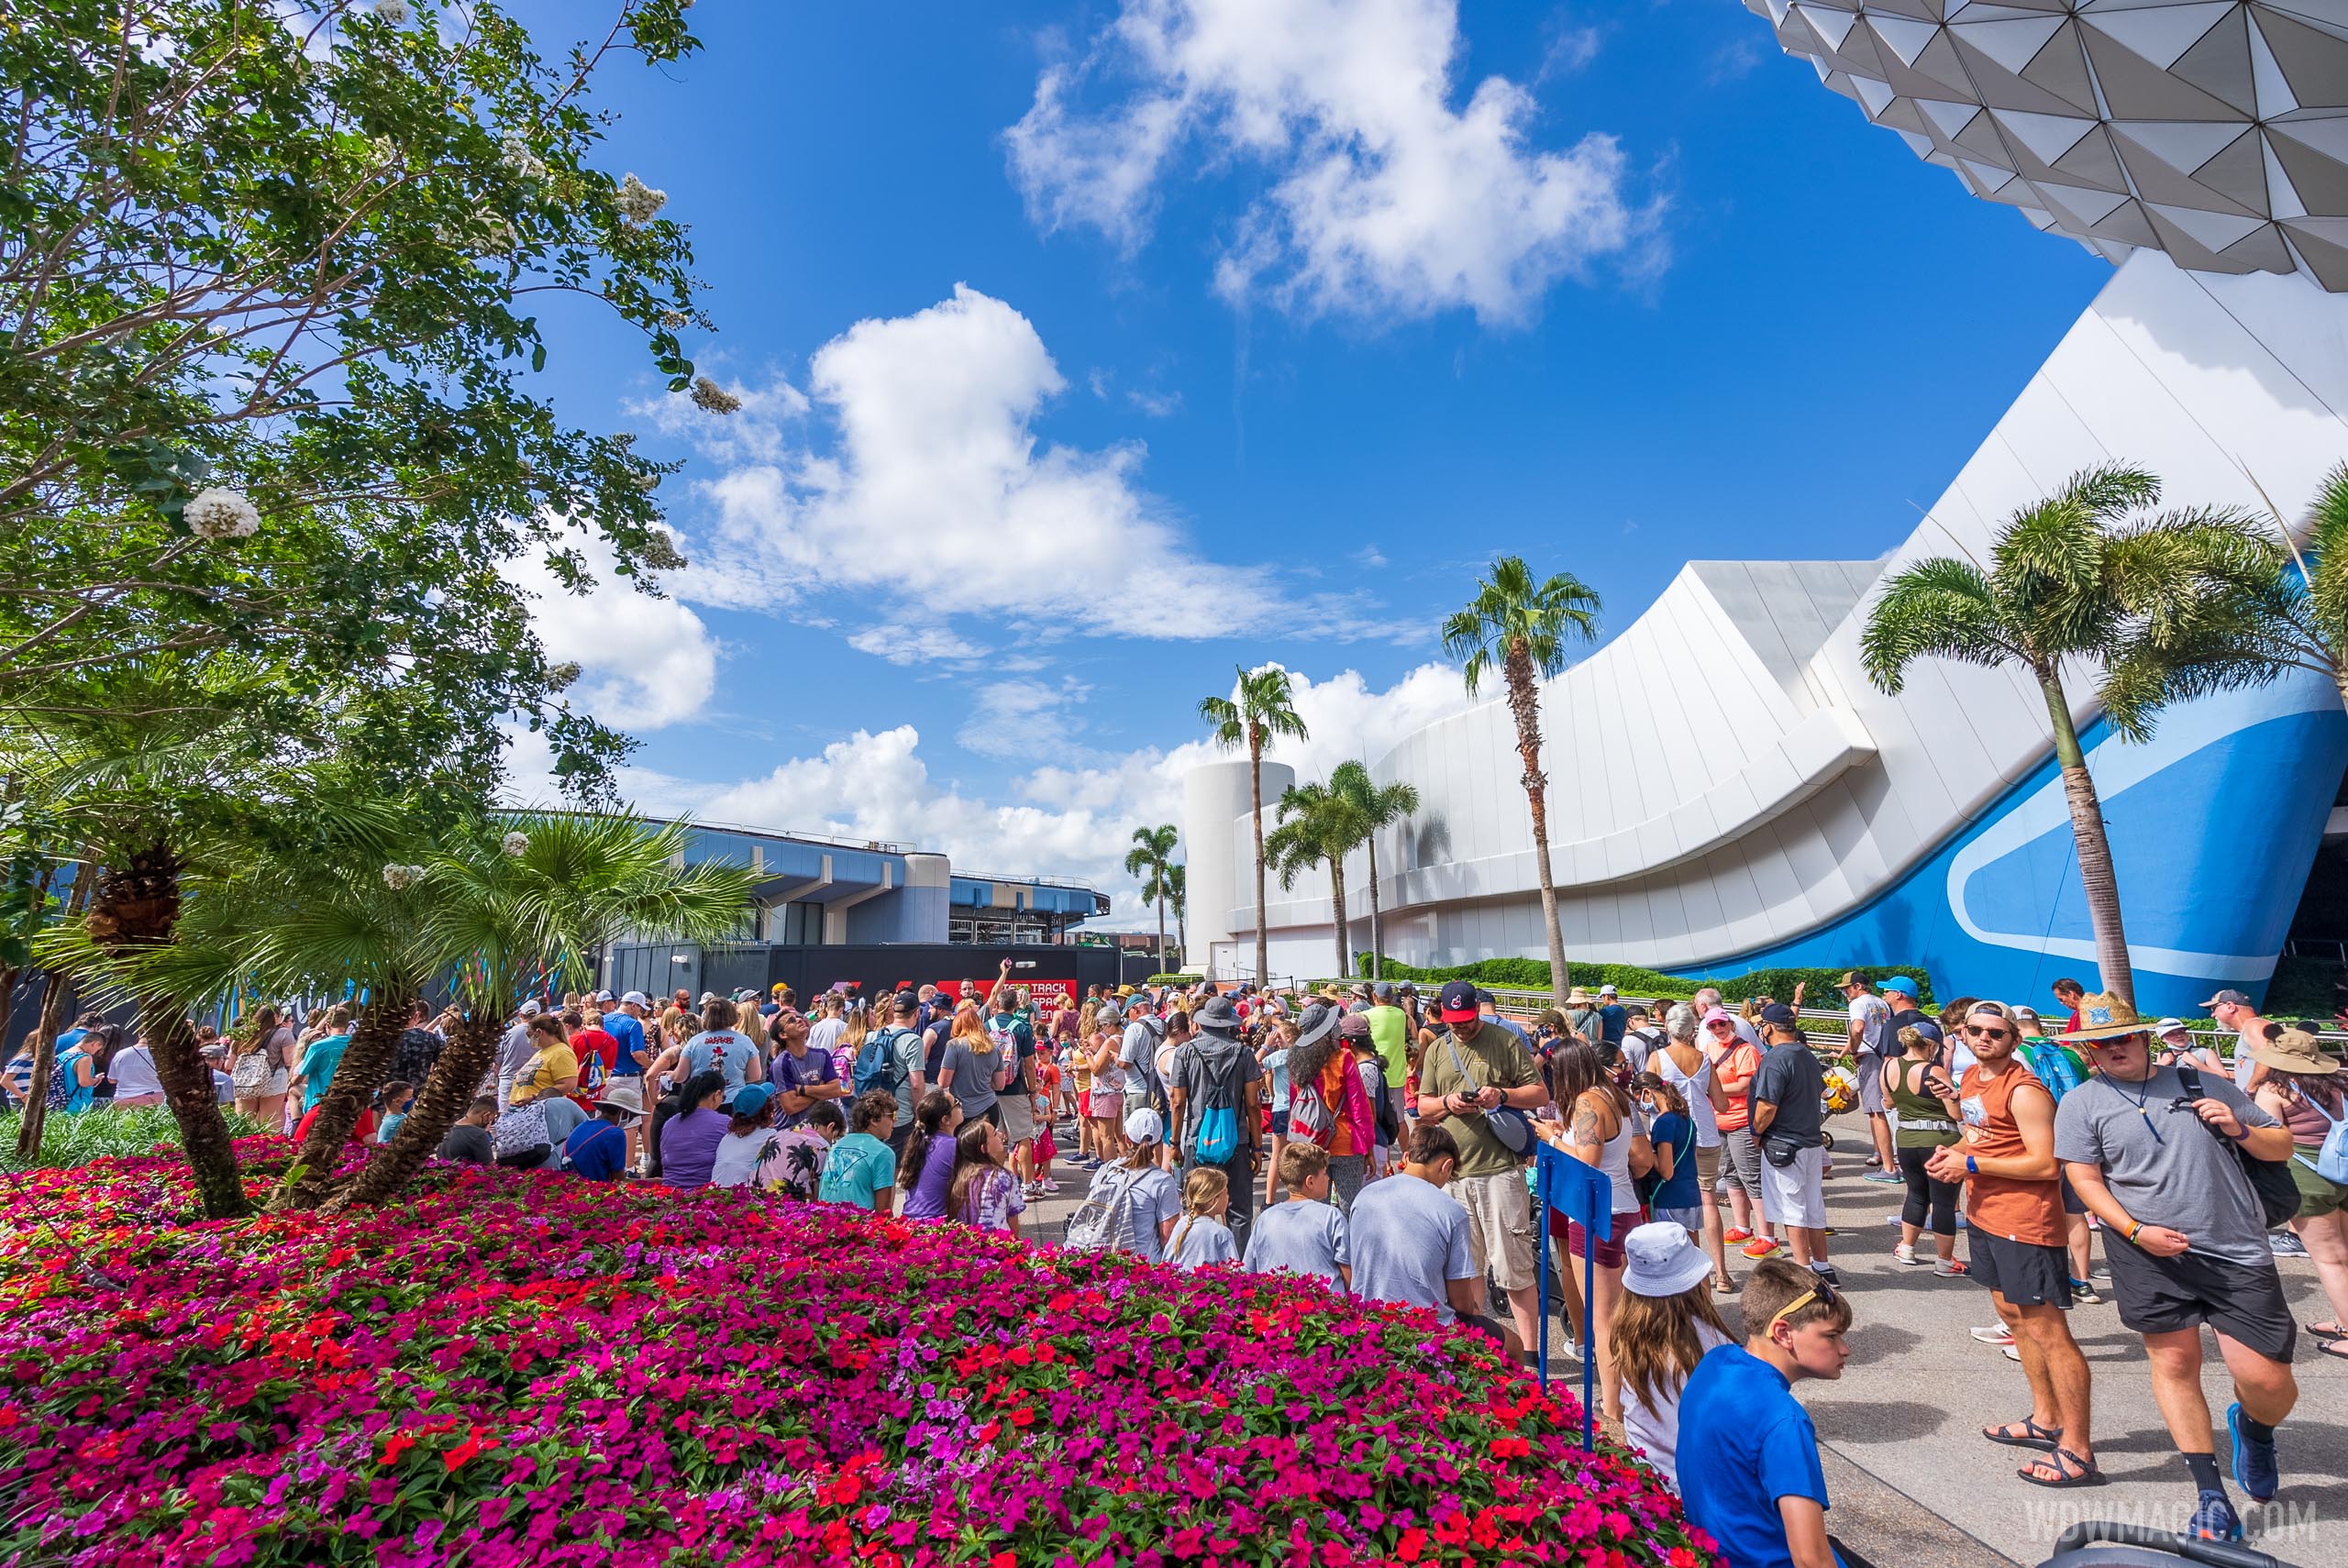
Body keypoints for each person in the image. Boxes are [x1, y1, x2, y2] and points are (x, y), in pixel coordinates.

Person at [2058, 994, 2298, 1540]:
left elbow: (2280, 1145)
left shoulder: (2204, 1084)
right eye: (2100, 1043)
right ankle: (2210, 1495)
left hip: (2233, 1247)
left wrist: (2239, 1129)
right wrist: (2135, 1231)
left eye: (2122, 1037)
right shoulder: (2081, 1103)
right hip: (2146, 1251)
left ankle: (2255, 1427)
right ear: (2088, 1051)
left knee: (2267, 1380)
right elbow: (2085, 1178)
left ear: (2143, 1039)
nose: (2113, 1049)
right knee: (2174, 1364)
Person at [1931, 999, 2099, 1490]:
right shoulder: (1970, 1082)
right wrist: (1953, 1153)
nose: (1984, 1038)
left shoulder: (2025, 1092)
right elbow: (1979, 1138)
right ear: (1962, 1033)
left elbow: (2047, 1164)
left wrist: (1972, 1165)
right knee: (2013, 1318)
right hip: (1984, 1215)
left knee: (2049, 1331)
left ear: (2014, 1041)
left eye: (1996, 1033)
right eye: (1975, 1030)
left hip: (2026, 1223)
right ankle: (2045, 1420)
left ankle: (2078, 1449)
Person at [1677, 1258, 1853, 1568]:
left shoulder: (1715, 1362)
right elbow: (1810, 1559)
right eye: (1831, 1336)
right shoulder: (1784, 1421)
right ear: (1783, 1332)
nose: (1845, 1349)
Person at [1412, 979, 1543, 1352]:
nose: (1461, 1027)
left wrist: (1501, 1095)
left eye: (1467, 1020)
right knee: (1463, 1270)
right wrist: (1449, 1103)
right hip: (1452, 1176)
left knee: (1513, 1268)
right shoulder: (1438, 1049)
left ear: (1477, 1011)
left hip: (1500, 1170)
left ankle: (1530, 1353)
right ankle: (1475, 1351)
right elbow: (1422, 1107)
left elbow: (1539, 1093)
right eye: (1454, 1021)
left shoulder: (1504, 1041)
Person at [1544, 1041, 1653, 1414]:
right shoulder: (1615, 1095)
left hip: (1594, 1217)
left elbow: (1588, 1162)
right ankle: (1634, 1396)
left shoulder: (1587, 1102)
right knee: (1624, 1317)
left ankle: (1611, 1408)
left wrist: (1554, 1139)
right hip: (1625, 1211)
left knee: (1602, 1323)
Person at [1350, 1122, 1509, 1343]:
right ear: (1446, 1165)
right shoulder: (1451, 1211)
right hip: (1426, 1328)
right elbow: (1461, 1303)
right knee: (1513, 1346)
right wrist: (1474, 1307)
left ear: (1406, 1156)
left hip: (1368, 1318)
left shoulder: (1364, 1196)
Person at [1613, 1220, 1735, 1489]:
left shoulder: (1627, 1337)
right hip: (1701, 1492)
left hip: (1649, 1487)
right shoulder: (1716, 1347)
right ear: (1696, 1280)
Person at [2250, 1027, 2348, 1358]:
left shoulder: (2274, 1090)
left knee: (2329, 1259)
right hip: (2344, 1174)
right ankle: (2340, 1319)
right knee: (2344, 1252)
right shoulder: (2340, 1086)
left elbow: (2269, 1143)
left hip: (2310, 1180)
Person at [1168, 993, 1263, 1248]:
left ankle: (1193, 1261)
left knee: (1195, 1207)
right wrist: (1257, 1147)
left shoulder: (1185, 1052)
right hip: (1237, 1141)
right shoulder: (1244, 1054)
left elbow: (1178, 1102)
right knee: (1239, 1212)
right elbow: (1253, 1104)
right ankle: (1239, 1270)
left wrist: (1174, 1142)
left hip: (1197, 1140)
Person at [1750, 1003, 1831, 1280]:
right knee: (1813, 1206)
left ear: (1769, 1027)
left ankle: (1802, 1268)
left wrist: (1756, 1133)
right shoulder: (1805, 1054)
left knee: (1791, 1209)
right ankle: (1822, 1265)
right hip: (1809, 1141)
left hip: (1784, 1143)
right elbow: (1822, 1094)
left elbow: (1767, 1107)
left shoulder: (1775, 1058)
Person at [1655, 1004, 1732, 1293]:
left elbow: (1644, 1098)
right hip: (1706, 1135)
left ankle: (1681, 1274)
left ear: (1667, 1028)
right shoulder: (1704, 1059)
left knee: (1675, 1202)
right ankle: (1720, 1274)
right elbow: (1721, 1103)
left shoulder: (1658, 1058)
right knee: (1708, 1202)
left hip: (1672, 1138)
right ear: (1691, 1031)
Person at [1885, 1021, 1965, 1275]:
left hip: (1907, 1139)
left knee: (1916, 1194)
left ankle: (1907, 1248)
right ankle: (1944, 1260)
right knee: (1943, 1201)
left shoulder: (1888, 1066)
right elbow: (1956, 1112)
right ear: (1930, 1045)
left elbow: (1888, 1102)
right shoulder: (1934, 1071)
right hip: (1939, 1140)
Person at [1287, 1002, 1375, 1209]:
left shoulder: (1295, 1064)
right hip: (1347, 1144)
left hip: (1313, 1144)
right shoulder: (1344, 1058)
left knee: (1318, 1211)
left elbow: (1295, 1108)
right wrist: (1369, 1146)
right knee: (1349, 1209)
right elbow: (1359, 1107)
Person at [1709, 1008, 1773, 1258]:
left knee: (1752, 1179)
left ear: (1730, 1023)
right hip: (1720, 1121)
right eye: (1713, 1026)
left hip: (1741, 1121)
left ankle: (1767, 1236)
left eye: (1721, 1024)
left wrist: (1714, 1089)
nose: (1718, 1029)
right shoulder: (1711, 1049)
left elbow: (1746, 1085)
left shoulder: (1747, 1050)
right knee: (1732, 1176)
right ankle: (1742, 1227)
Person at [1244, 1142, 1351, 1287]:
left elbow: (1249, 1269)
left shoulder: (1265, 1219)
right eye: (1324, 1173)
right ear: (1310, 1181)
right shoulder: (1331, 1216)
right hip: (1324, 1306)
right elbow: (1347, 1271)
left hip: (1276, 1302)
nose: (1327, 1178)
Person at [1084, 1108, 1183, 1262]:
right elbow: (1168, 1238)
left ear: (1127, 1139)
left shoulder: (1106, 1170)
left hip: (1103, 1262)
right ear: (1159, 1141)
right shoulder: (1162, 1181)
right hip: (1143, 1267)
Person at [1838, 972, 1900, 1184]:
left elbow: (1858, 1029)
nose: (1845, 992)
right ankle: (1878, 1153)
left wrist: (1854, 1051)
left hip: (1869, 1059)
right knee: (1882, 1108)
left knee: (1876, 1111)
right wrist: (1844, 1052)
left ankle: (1889, 1166)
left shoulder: (1858, 1004)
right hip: (1884, 1056)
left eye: (1847, 988)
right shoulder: (1882, 1003)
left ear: (1858, 986)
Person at [819, 1092, 901, 1213]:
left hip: (824, 1220)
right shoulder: (883, 1152)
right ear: (873, 1120)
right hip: (856, 1225)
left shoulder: (837, 1145)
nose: (896, 1120)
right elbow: (883, 1211)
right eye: (892, 1116)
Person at [1638, 1073, 1700, 1234]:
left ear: (1647, 1092)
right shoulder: (1686, 1119)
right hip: (1691, 1195)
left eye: (1638, 1097)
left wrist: (1647, 1149)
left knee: (1671, 1253)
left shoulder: (1664, 1122)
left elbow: (1667, 1172)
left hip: (1670, 1199)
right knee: (1691, 1252)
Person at [769, 1008, 847, 1131]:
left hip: (819, 1131)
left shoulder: (822, 1055)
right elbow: (791, 1106)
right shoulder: (781, 1063)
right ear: (783, 1035)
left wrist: (802, 1089)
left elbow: (836, 1090)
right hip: (791, 1132)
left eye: (799, 1017)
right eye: (791, 1021)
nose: (799, 1020)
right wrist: (821, 1091)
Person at [947, 1116, 1024, 1234]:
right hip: (998, 1244)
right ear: (984, 1148)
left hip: (967, 1244)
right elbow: (1013, 1222)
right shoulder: (1004, 1177)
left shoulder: (959, 1176)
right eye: (994, 1134)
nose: (1000, 1134)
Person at [659, 1070, 732, 1192]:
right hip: (706, 1198)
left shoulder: (669, 1123)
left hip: (670, 1196)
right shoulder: (725, 1123)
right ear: (716, 1094)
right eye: (723, 1097)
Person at [899, 1091, 966, 1220]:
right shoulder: (953, 1146)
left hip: (909, 1221)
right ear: (945, 1120)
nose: (960, 1105)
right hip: (935, 1226)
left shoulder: (919, 1141)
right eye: (956, 1103)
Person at [228, 1006, 294, 1128]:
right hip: (274, 1078)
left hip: (246, 1080)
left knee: (244, 1122)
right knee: (269, 1121)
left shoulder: (243, 1034)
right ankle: (268, 1146)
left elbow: (229, 1064)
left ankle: (242, 1146)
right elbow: (289, 1061)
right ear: (275, 1017)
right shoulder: (284, 1033)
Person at [287, 1005, 354, 1115]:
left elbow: (300, 1076)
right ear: (347, 1025)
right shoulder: (356, 1045)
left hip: (318, 1104)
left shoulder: (317, 1047)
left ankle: (296, 1127)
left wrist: (290, 1083)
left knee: (293, 1090)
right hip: (349, 1103)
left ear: (327, 1025)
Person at [1168, 1165, 1239, 1267]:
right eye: (1226, 1193)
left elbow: (1166, 1261)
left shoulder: (1182, 1224)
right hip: (1208, 1283)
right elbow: (1235, 1273)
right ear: (1213, 1200)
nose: (1228, 1197)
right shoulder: (1222, 1234)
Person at [508, 1014, 580, 1107]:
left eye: (529, 1035)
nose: (529, 1040)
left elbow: (568, 1085)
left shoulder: (562, 1052)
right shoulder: (541, 1053)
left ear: (539, 1032)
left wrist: (534, 1098)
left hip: (541, 1110)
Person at [567, 1088, 632, 1181]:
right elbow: (618, 1179)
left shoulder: (583, 1125)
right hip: (592, 1188)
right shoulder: (615, 1133)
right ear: (624, 1114)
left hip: (571, 1182)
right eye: (632, 1117)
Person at [1363, 981, 1411, 1103]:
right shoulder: (1400, 1014)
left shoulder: (1365, 1015)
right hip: (1397, 1076)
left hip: (1374, 1075)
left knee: (1377, 1119)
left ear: (1374, 996)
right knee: (1399, 1119)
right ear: (1392, 997)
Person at [437, 1096, 498, 1165]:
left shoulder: (447, 1128)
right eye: (490, 1120)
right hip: (466, 1174)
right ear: (486, 1115)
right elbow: (490, 1166)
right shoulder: (478, 1134)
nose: (489, 1123)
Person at [374, 1079, 415, 1144]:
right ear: (397, 1101)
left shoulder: (398, 1116)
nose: (412, 1100)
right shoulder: (397, 1122)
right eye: (409, 1097)